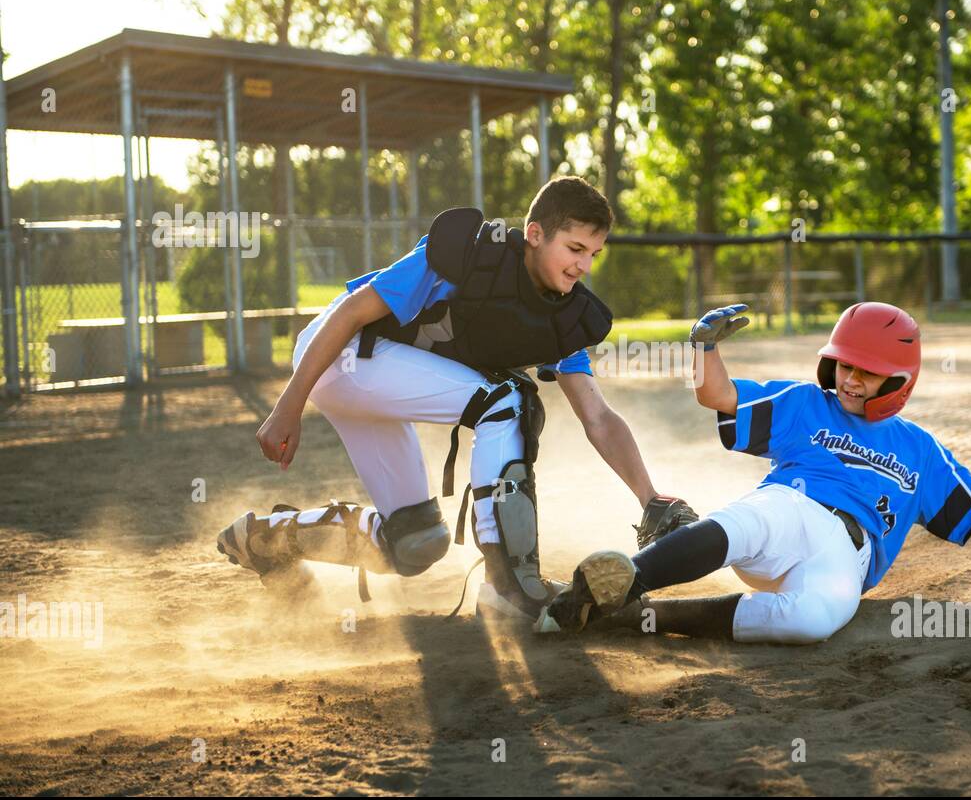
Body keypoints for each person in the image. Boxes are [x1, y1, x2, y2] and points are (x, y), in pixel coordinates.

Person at [536, 300, 971, 643]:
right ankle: (623, 582)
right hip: (789, 505)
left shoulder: (920, 449)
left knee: (812, 620)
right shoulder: (807, 404)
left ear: (901, 382)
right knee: (752, 521)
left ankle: (634, 619)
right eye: (843, 364)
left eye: (866, 371)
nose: (850, 378)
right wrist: (704, 349)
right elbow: (718, 398)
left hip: (845, 556)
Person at [217, 176, 697, 622]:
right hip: (340, 355)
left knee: (415, 543)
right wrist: (289, 406)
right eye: (574, 248)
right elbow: (349, 312)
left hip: (370, 379)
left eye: (594, 253)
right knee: (507, 399)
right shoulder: (467, 256)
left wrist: (650, 498)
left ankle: (268, 541)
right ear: (534, 234)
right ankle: (509, 586)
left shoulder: (563, 316)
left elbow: (597, 417)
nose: (583, 266)